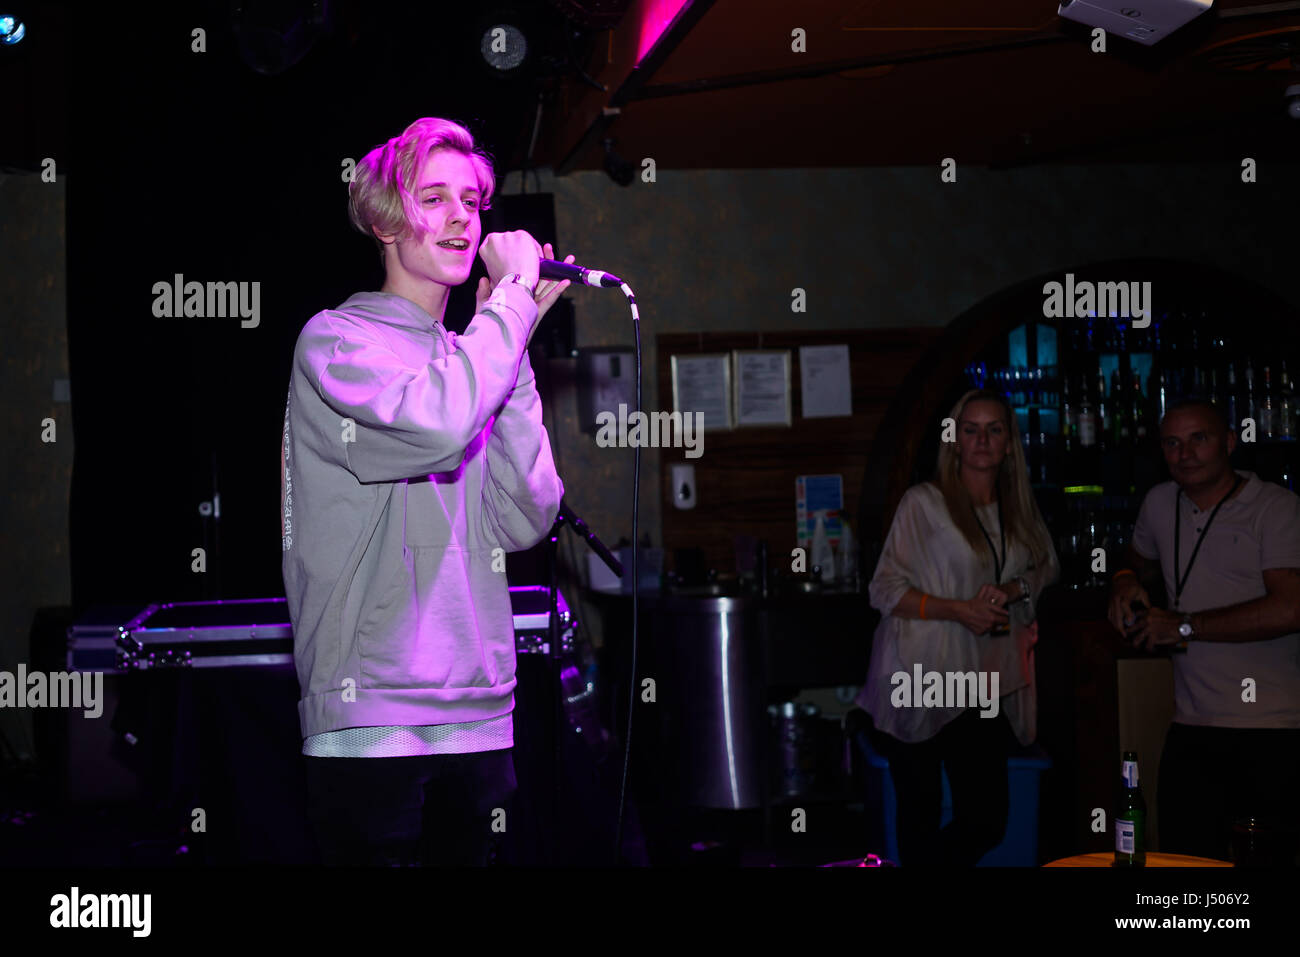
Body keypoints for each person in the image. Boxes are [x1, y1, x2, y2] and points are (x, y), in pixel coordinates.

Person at [280, 117, 570, 866]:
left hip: (480, 714)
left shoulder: (475, 356)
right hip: (371, 720)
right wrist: (504, 311)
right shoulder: (336, 342)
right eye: (433, 197)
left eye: (472, 202)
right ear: (382, 219)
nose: (461, 217)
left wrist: (515, 352)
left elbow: (528, 512)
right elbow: (437, 422)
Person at [857, 388, 1060, 866]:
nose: (982, 440)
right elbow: (882, 590)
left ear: (1010, 442)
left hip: (979, 680)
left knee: (987, 819)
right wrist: (955, 610)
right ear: (954, 439)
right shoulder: (925, 504)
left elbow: (1048, 565)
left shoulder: (1018, 507)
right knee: (919, 814)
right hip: (919, 674)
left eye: (994, 430)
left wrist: (1015, 591)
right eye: (971, 430)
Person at [1108, 398, 1300, 863]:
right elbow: (1135, 564)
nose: (1185, 453)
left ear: (1230, 443)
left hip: (1271, 727)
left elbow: (1292, 608)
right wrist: (1124, 584)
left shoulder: (1275, 506)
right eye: (1172, 442)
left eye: (1200, 438)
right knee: (1184, 864)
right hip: (1191, 724)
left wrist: (1185, 626)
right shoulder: (1159, 503)